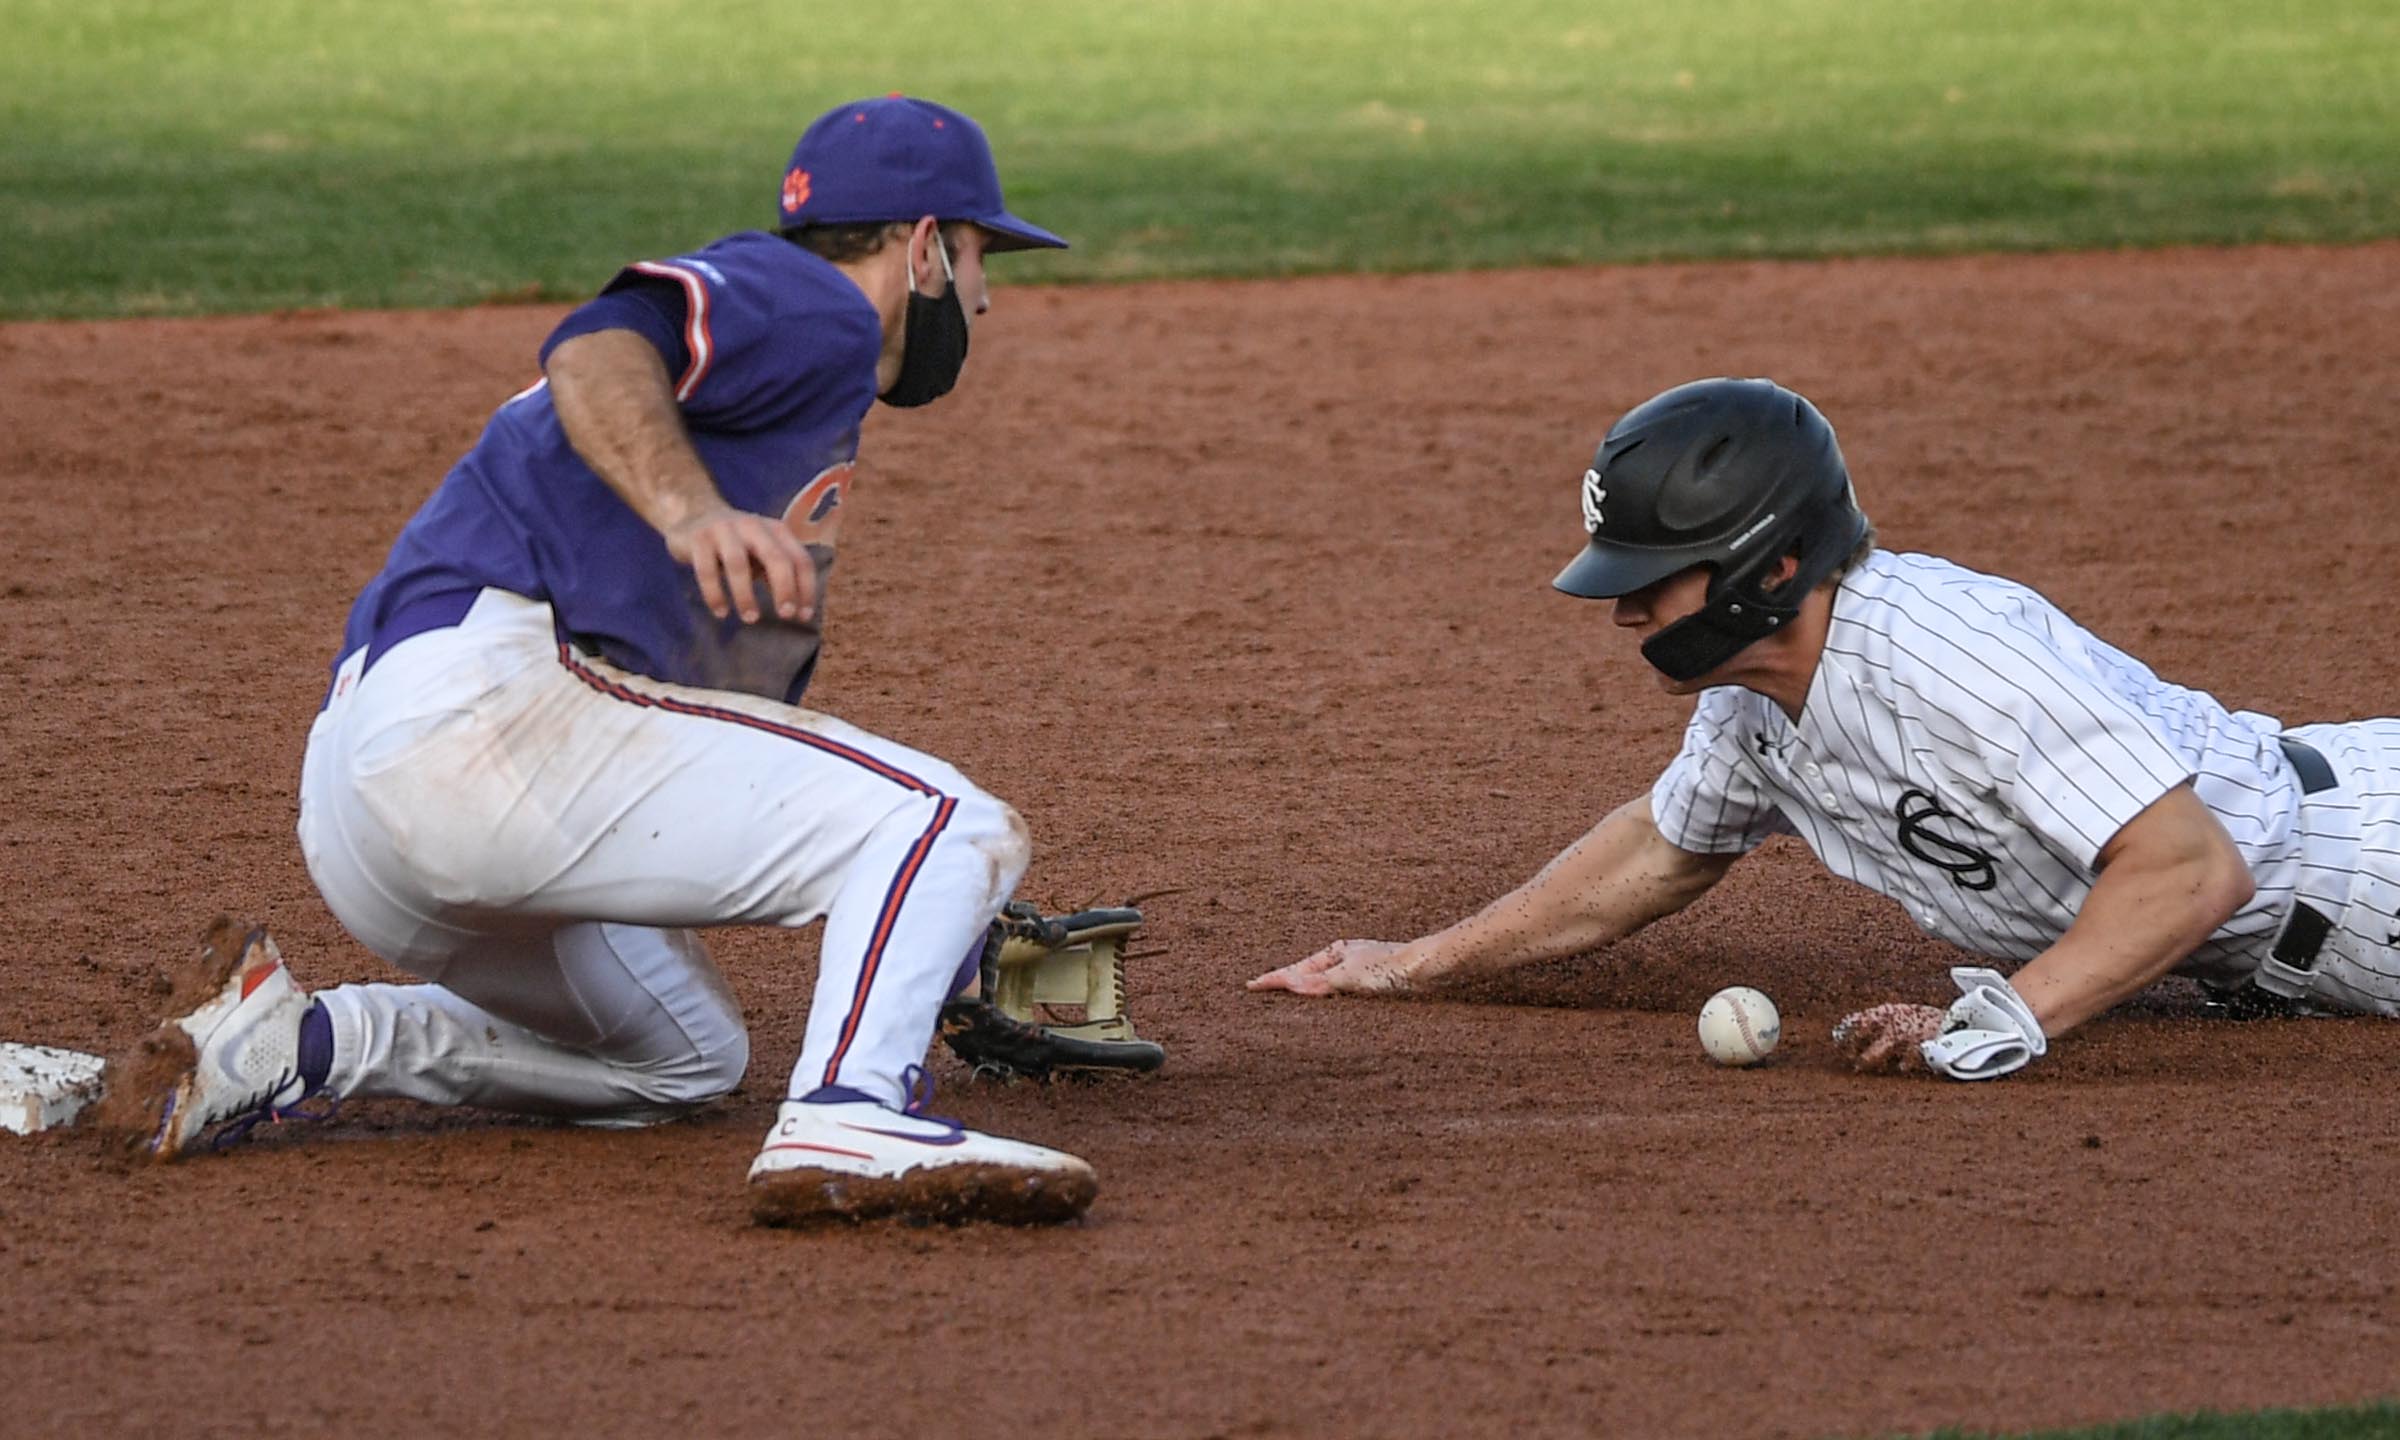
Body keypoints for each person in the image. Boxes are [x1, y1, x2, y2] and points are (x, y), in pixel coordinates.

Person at [112, 96, 1101, 1226]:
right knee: (949, 823)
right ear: (922, 248)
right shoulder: (812, 302)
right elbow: (599, 342)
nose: (983, 296)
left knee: (684, 1058)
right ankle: (851, 1110)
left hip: (375, 811)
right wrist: (688, 512)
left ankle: (304, 1041)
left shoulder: (778, 403)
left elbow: (706, 770)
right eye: (979, 256)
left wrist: (935, 941)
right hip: (483, 719)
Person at [1250, 376, 2400, 1076]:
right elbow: (1657, 850)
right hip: (2309, 941)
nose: (1627, 612)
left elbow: (2194, 868)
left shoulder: (1950, 654)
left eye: (1654, 580)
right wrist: (1412, 966)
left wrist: (1996, 1020)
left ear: (1773, 567)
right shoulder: (1756, 706)